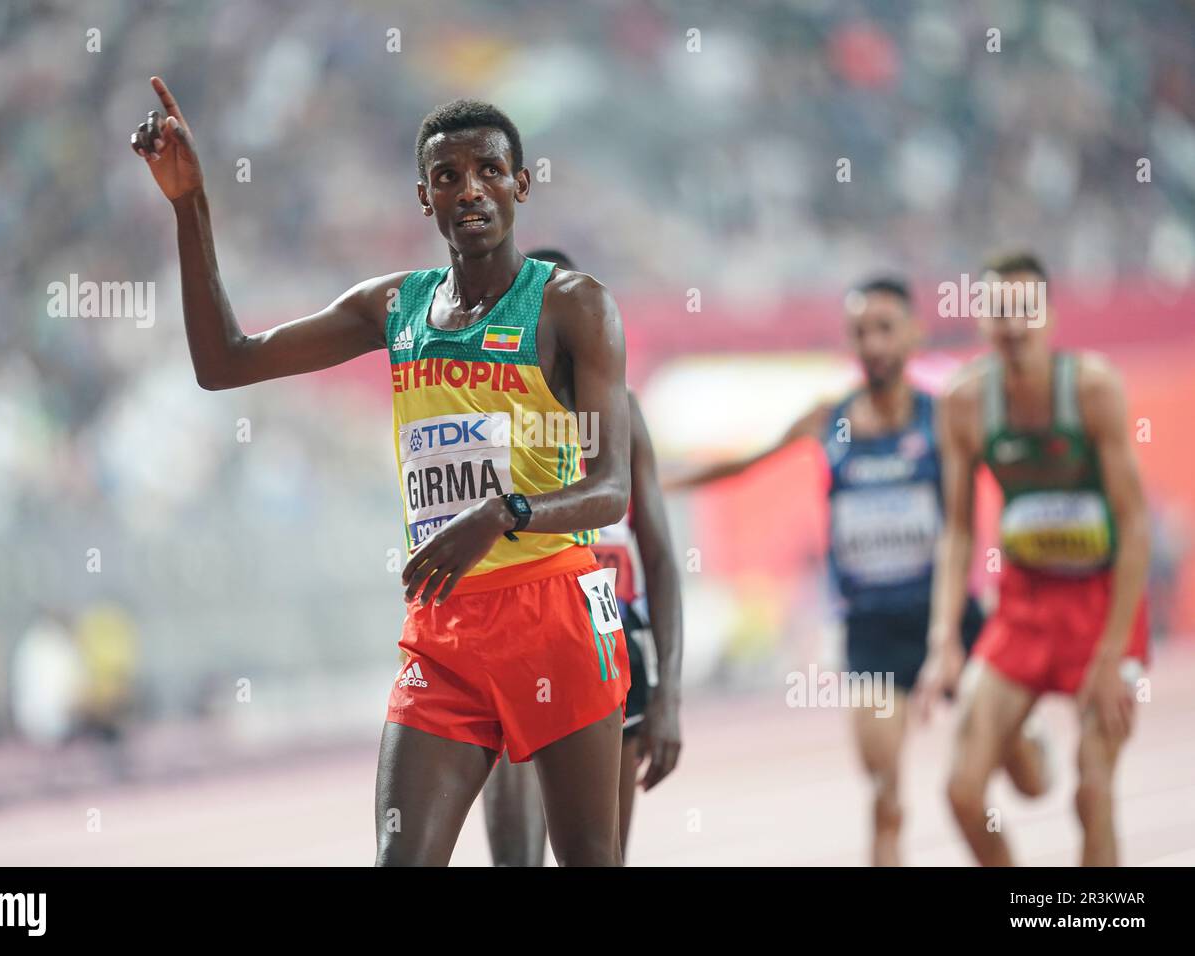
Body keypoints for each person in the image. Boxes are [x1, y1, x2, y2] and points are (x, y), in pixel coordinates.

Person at [131, 82, 633, 866]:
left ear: (521, 184)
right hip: (444, 631)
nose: (470, 189)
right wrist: (189, 206)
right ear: (423, 196)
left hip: (555, 617)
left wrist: (503, 513)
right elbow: (224, 362)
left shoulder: (573, 307)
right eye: (448, 176)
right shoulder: (392, 307)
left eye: (490, 171)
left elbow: (612, 490)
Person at [669, 277, 1047, 865]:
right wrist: (649, 482)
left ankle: (1024, 740)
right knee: (884, 796)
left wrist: (949, 634)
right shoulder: (831, 419)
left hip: (951, 618)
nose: (872, 344)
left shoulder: (943, 418)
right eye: (860, 332)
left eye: (884, 329)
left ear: (914, 333)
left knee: (1024, 779)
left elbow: (963, 524)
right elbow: (745, 465)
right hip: (872, 632)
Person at [917, 252, 1149, 866]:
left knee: (1093, 790)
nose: (1012, 325)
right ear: (982, 321)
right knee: (963, 790)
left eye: (1025, 310)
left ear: (1048, 317)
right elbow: (959, 531)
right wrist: (944, 637)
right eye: (998, 311)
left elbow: (1134, 523)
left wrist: (1112, 652)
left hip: (1103, 609)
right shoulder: (964, 404)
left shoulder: (1093, 389)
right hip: (1023, 606)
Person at [480, 250, 683, 865]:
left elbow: (663, 560)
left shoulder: (622, 409)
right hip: (517, 637)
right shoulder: (486, 413)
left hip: (608, 641)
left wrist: (669, 694)